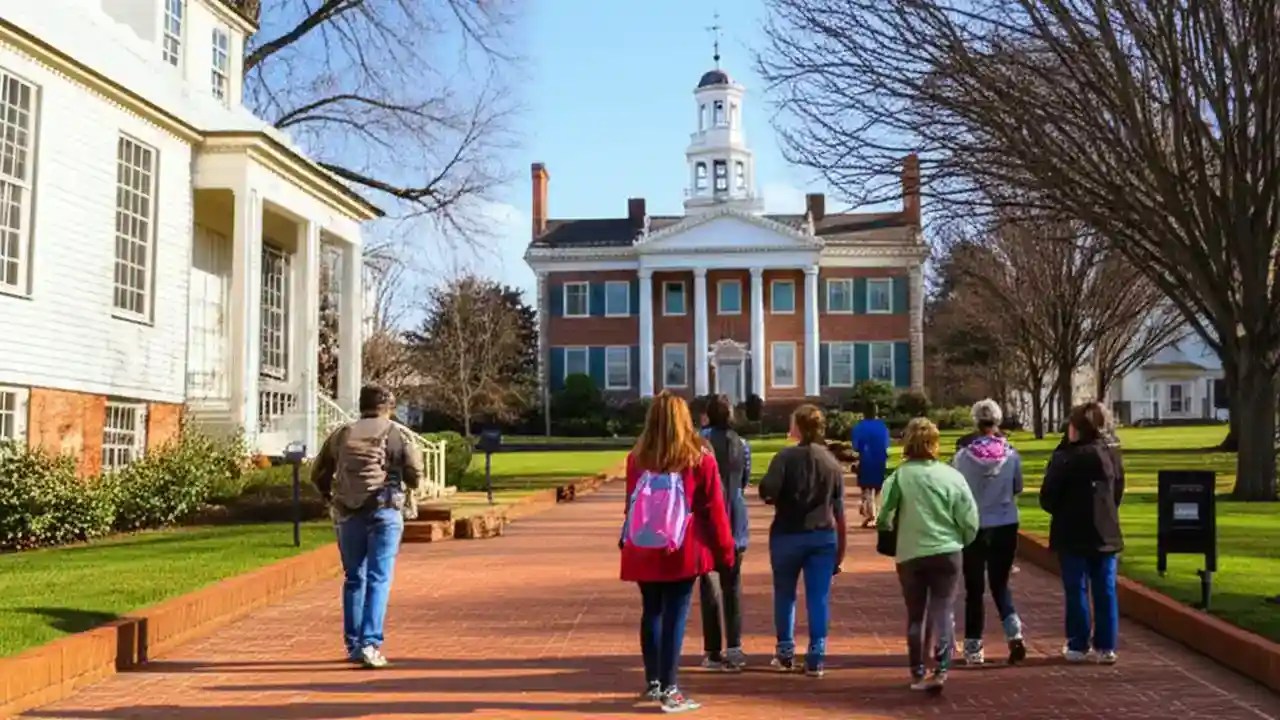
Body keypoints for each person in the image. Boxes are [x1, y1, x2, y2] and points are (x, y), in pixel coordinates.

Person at [621, 391, 736, 712]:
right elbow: (715, 512)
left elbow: (631, 502)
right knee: (675, 615)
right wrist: (725, 552)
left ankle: (654, 682)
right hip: (683, 547)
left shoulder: (637, 458)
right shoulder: (699, 459)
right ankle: (671, 687)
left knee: (651, 612)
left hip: (644, 545)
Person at [311, 385, 423, 669]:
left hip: (347, 512)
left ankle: (354, 644)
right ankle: (371, 644)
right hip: (385, 510)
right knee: (378, 577)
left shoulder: (342, 434)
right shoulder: (395, 433)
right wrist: (408, 484)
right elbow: (414, 473)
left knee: (353, 578)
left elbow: (319, 473)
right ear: (390, 407)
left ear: (361, 405)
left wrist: (330, 497)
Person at [879, 417, 979, 692]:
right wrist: (963, 538)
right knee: (942, 609)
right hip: (947, 549)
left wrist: (890, 533)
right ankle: (942, 668)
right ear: (935, 443)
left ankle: (917, 669)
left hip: (911, 552)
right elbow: (969, 516)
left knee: (916, 615)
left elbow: (884, 515)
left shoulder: (899, 476)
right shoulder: (951, 476)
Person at [759, 404, 847, 678]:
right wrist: (841, 551)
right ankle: (816, 654)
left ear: (799, 426)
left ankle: (785, 651)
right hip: (822, 535)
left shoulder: (785, 457)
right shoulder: (831, 462)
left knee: (785, 594)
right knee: (818, 598)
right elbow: (839, 511)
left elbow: (767, 491)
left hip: (787, 532)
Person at [1039, 401, 1125, 665]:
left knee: (1076, 588)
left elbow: (1048, 497)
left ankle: (1078, 643)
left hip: (1072, 531)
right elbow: (1117, 490)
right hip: (1106, 530)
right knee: (1105, 588)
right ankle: (1106, 646)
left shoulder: (1066, 457)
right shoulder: (1111, 453)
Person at [951, 399, 1026, 666]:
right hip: (1005, 523)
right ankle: (1014, 632)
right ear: (998, 421)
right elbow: (1017, 486)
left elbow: (955, 490)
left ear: (975, 421)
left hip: (973, 525)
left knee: (974, 588)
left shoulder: (962, 456)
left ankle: (973, 647)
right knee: (1001, 583)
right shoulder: (1011, 454)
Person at [697, 394, 752, 672]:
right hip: (735, 520)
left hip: (706, 522)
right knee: (733, 586)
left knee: (709, 588)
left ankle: (712, 650)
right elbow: (744, 481)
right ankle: (734, 648)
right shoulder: (742, 445)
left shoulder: (699, 444)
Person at [851, 400, 891, 528]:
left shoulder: (859, 427)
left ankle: (870, 513)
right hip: (880, 459)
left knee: (866, 488)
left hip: (866, 459)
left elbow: (856, 446)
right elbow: (886, 444)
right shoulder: (883, 427)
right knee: (878, 489)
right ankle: (877, 514)